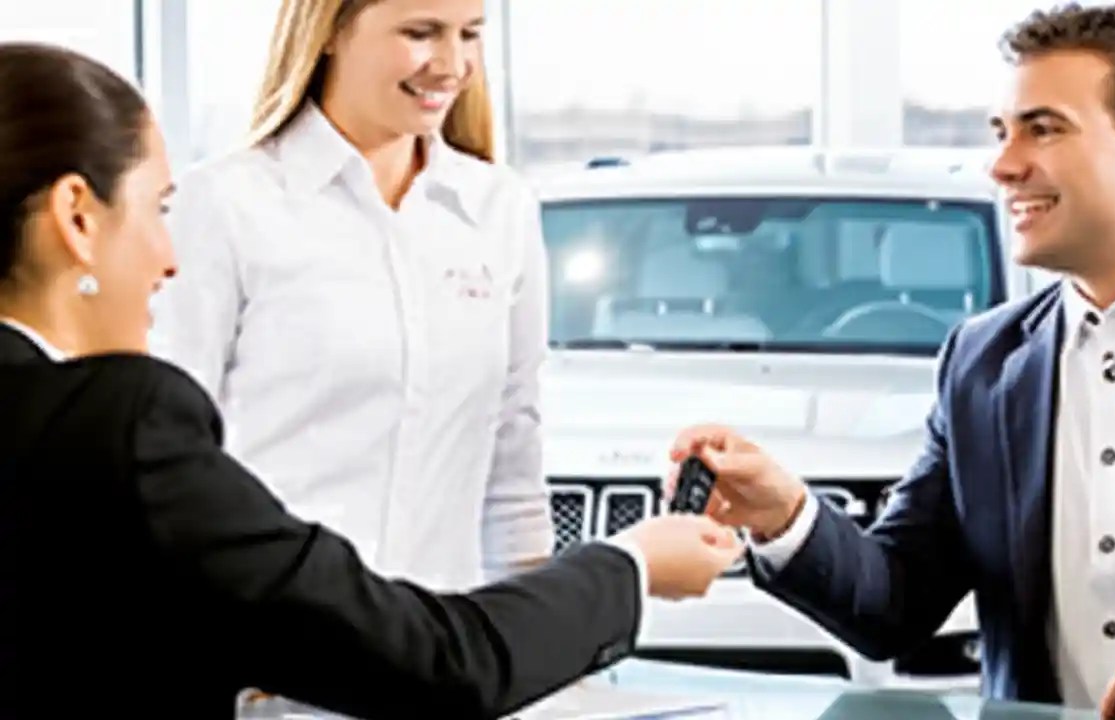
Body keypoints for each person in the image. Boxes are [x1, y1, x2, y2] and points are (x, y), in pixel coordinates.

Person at [0, 42, 743, 719]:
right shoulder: (121, 424)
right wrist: (633, 564)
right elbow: (441, 663)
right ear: (77, 216)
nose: (169, 256)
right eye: (157, 211)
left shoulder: (498, 208)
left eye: (471, 31)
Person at [669, 4, 1115, 720]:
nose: (1003, 164)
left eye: (1043, 128)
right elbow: (893, 603)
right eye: (1002, 132)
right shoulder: (983, 361)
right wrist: (786, 515)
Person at [150, 0, 554, 593]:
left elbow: (513, 453)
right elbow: (170, 457)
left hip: (442, 646)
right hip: (268, 641)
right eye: (421, 33)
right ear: (330, 30)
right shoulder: (224, 205)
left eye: (469, 34)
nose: (452, 65)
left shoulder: (500, 208)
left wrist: (532, 635)